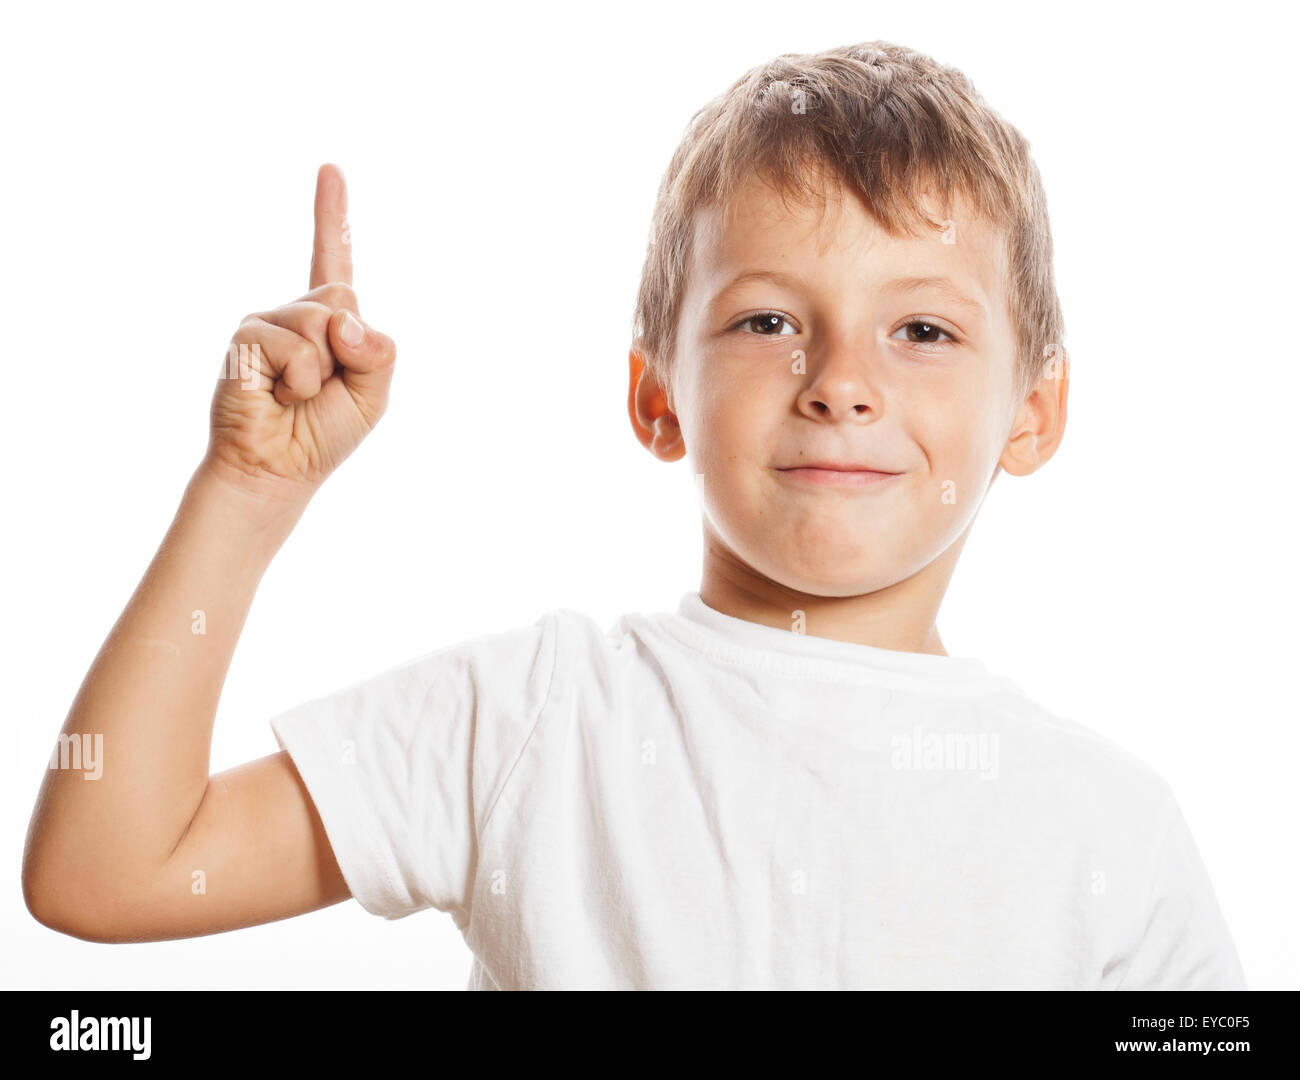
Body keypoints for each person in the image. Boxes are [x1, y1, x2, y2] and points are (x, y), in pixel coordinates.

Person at [22, 40, 1246, 990]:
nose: (840, 381)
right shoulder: (531, 721)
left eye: (921, 330)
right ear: (656, 399)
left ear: (1030, 414)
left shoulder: (1112, 831)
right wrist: (246, 494)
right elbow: (106, 872)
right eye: (767, 320)